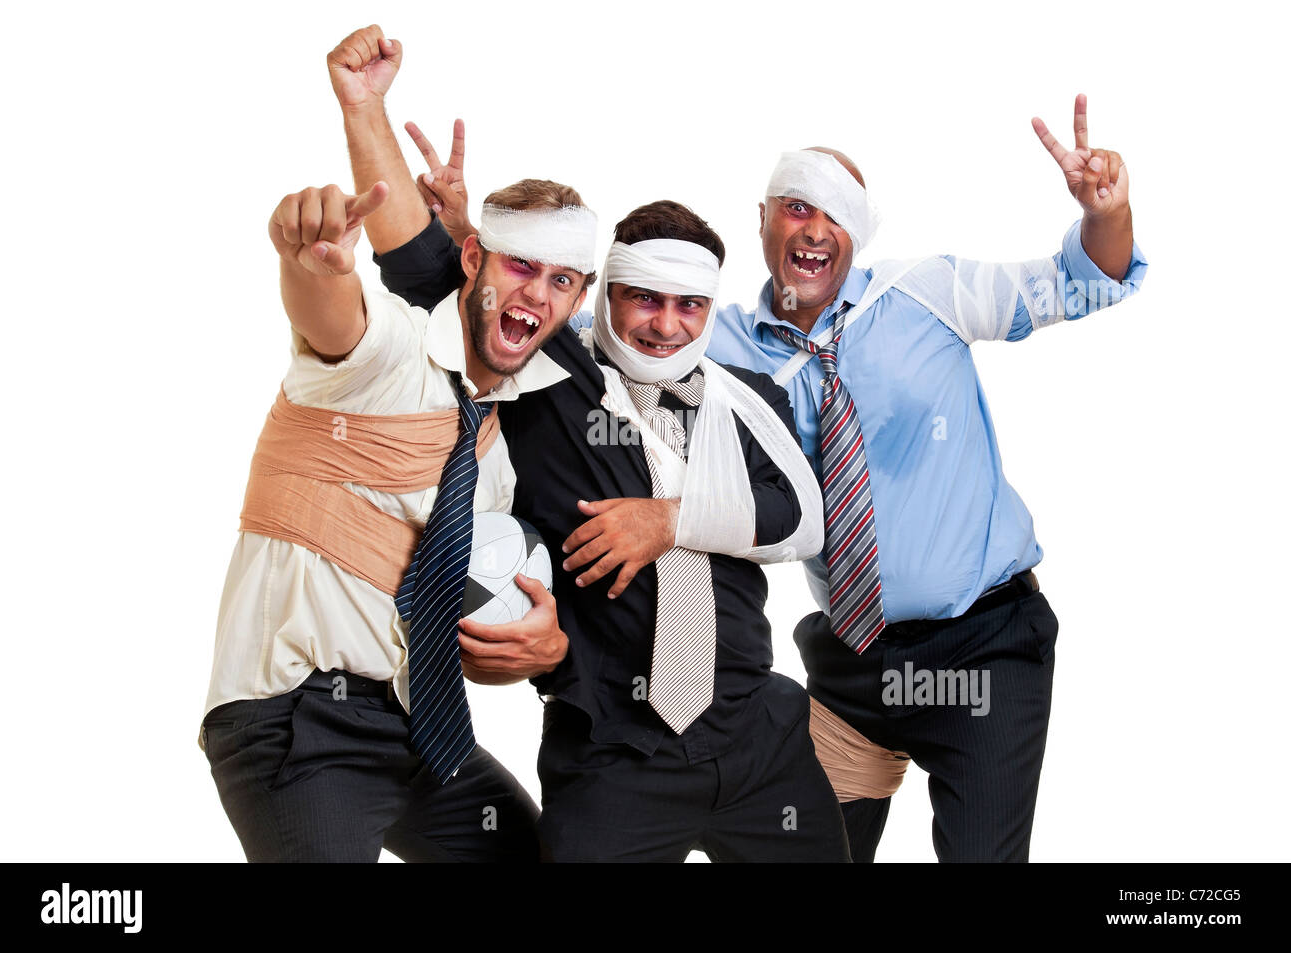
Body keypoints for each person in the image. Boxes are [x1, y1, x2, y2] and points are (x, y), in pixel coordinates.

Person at [396, 90, 1147, 862]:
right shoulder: (699, 342)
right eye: (796, 206)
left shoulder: (925, 294)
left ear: (857, 232)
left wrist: (1105, 213)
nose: (815, 228)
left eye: (836, 213)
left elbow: (1082, 282)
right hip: (849, 663)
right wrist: (470, 239)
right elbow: (529, 321)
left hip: (983, 643)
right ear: (764, 219)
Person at [330, 25, 851, 861]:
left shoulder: (746, 401)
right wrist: (365, 108)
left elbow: (794, 513)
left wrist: (668, 520)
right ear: (599, 296)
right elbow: (423, 261)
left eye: (687, 306)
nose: (663, 323)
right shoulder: (549, 376)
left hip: (759, 740)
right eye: (643, 298)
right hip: (615, 752)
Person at [200, 167, 597, 861]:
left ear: (575, 303)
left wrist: (525, 648)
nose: (537, 290)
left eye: (561, 280)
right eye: (521, 264)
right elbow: (334, 315)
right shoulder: (393, 349)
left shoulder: (496, 458)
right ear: (473, 258)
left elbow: (453, 602)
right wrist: (311, 263)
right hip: (302, 722)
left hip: (418, 730)